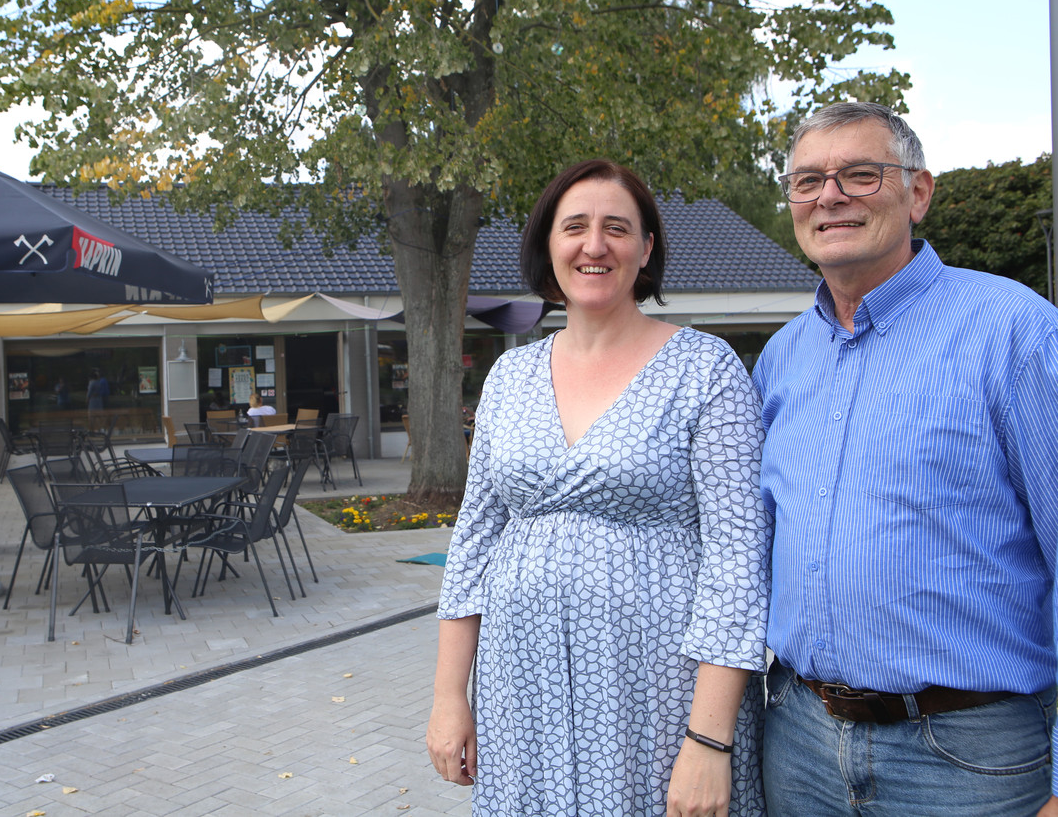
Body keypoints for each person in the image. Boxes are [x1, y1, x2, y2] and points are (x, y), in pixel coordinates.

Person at [427, 159, 771, 815]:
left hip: (660, 700)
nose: (594, 244)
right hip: (522, 694)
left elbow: (738, 565)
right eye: (574, 226)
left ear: (645, 250)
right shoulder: (508, 377)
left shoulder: (704, 370)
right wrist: (450, 697)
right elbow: (472, 545)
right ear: (548, 246)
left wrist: (709, 738)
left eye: (617, 228)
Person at [754, 102, 1058, 816]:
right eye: (807, 181)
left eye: (860, 174)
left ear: (918, 193)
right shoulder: (781, 360)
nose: (829, 196)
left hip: (965, 759)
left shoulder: (1016, 335)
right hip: (799, 745)